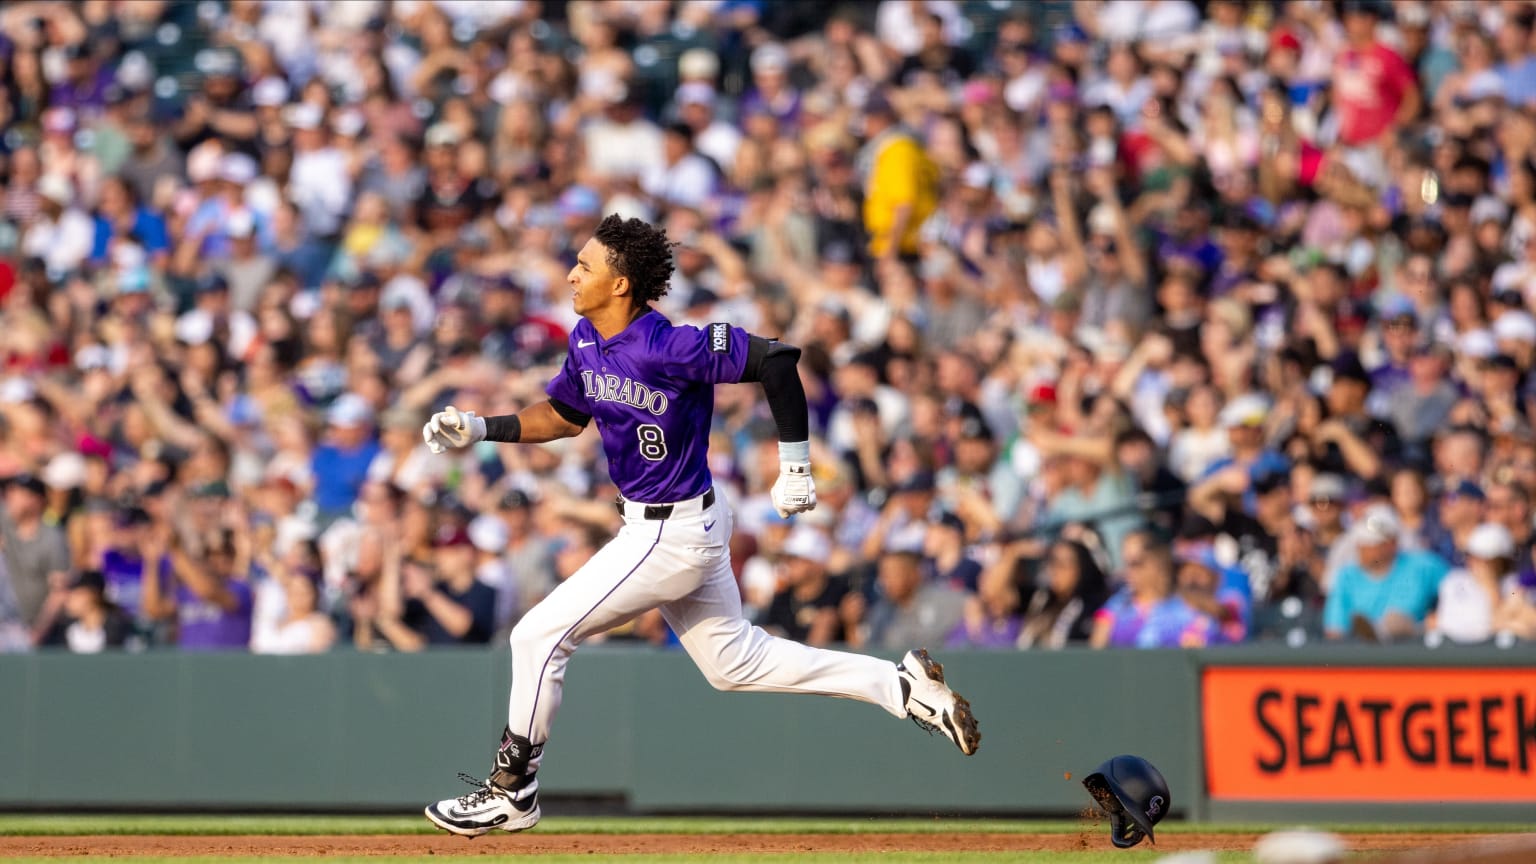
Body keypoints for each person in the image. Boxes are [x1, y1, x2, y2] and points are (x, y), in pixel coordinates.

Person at [418, 215, 979, 836]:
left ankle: (512, 789)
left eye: (585, 265)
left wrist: (796, 465)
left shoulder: (668, 344)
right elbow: (565, 413)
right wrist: (482, 427)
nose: (571, 274)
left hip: (670, 532)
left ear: (622, 283)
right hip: (670, 526)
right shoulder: (584, 336)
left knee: (536, 635)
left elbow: (777, 360)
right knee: (734, 664)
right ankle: (898, 687)